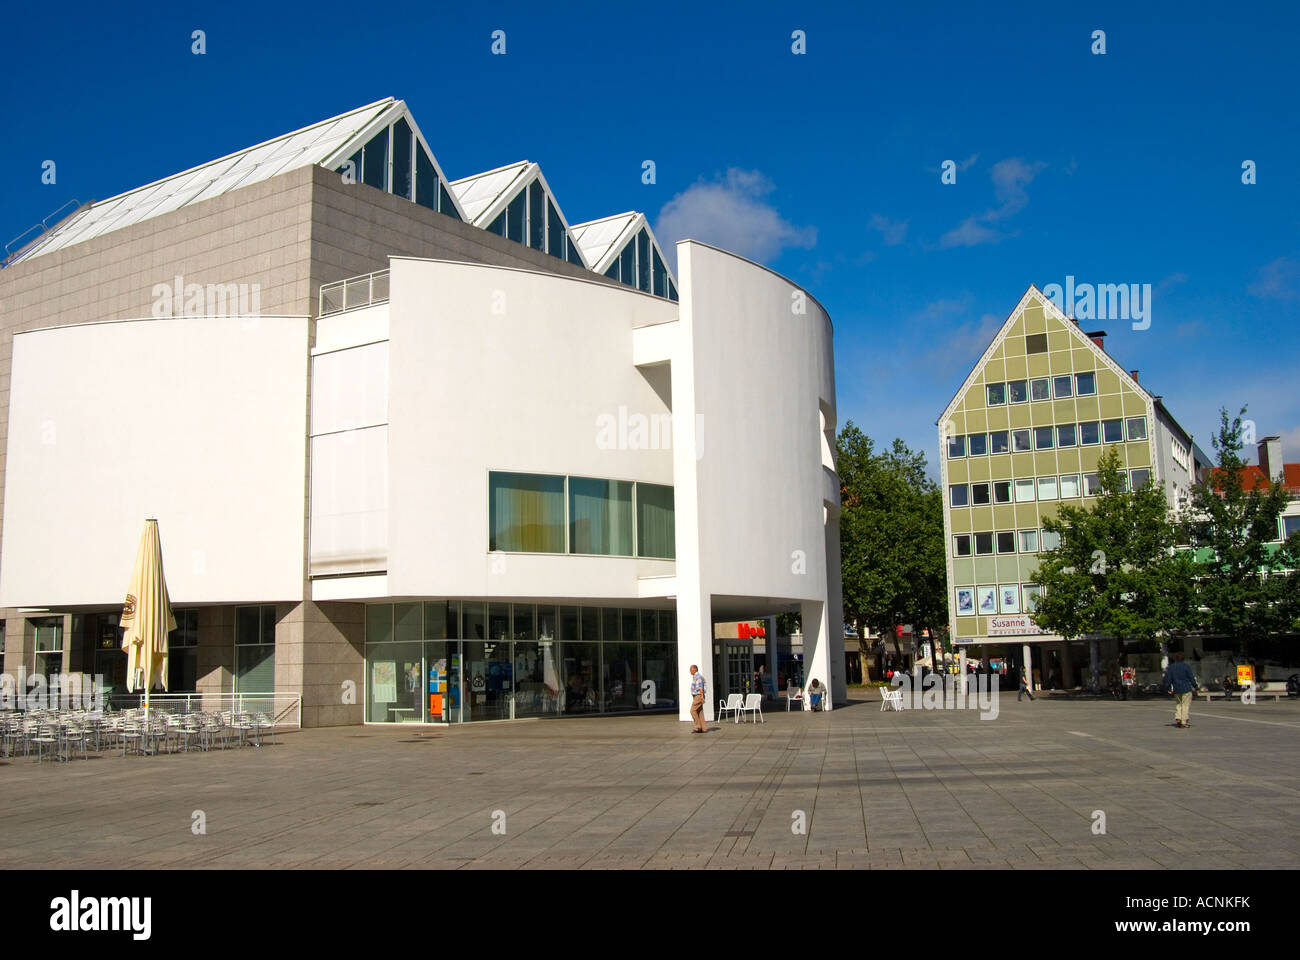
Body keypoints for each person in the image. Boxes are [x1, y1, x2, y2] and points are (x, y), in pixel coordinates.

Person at [1163, 651, 1197, 728]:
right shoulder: (1186, 666)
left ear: (1176, 659)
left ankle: (1178, 718)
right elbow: (1191, 677)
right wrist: (1195, 686)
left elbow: (1168, 678)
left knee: (1179, 704)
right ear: (1183, 659)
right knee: (1185, 705)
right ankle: (1184, 721)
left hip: (1176, 688)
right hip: (1186, 688)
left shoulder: (1171, 667)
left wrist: (1168, 687)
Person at [689, 665, 707, 733]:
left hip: (698, 696)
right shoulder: (696, 677)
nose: (690, 671)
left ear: (694, 670)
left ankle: (698, 726)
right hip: (697, 696)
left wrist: (702, 697)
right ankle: (703, 728)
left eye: (690, 670)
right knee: (700, 712)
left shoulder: (698, 677)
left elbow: (700, 688)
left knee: (692, 711)